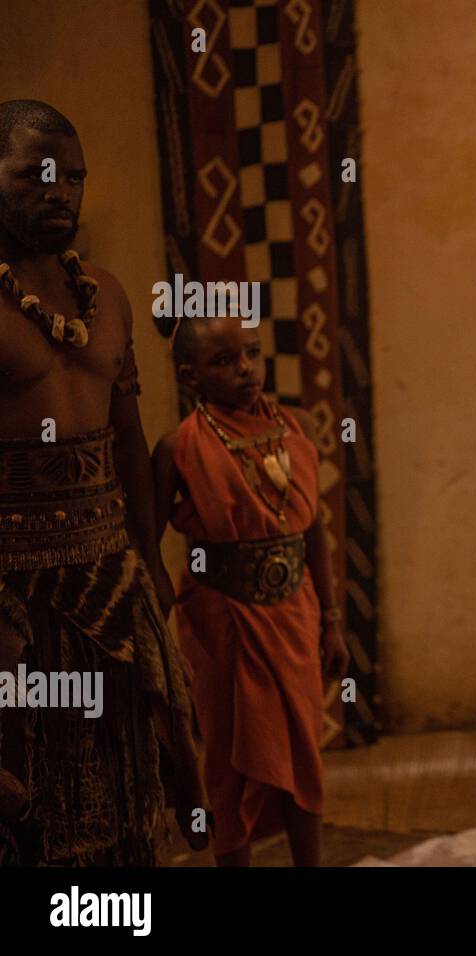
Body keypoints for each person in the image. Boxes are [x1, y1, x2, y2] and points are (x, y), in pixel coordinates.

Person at [0, 99, 203, 864]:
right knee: (30, 809)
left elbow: (126, 439)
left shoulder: (107, 296)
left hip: (111, 583)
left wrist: (148, 564)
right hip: (15, 598)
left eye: (74, 176)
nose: (60, 191)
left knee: (127, 796)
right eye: (36, 175)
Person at [153, 315, 349, 866]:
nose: (245, 370)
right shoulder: (179, 448)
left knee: (303, 753)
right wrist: (158, 638)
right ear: (191, 376)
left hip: (294, 612)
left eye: (252, 354)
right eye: (224, 361)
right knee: (230, 759)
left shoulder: (297, 429)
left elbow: (314, 530)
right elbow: (146, 545)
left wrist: (331, 620)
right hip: (222, 622)